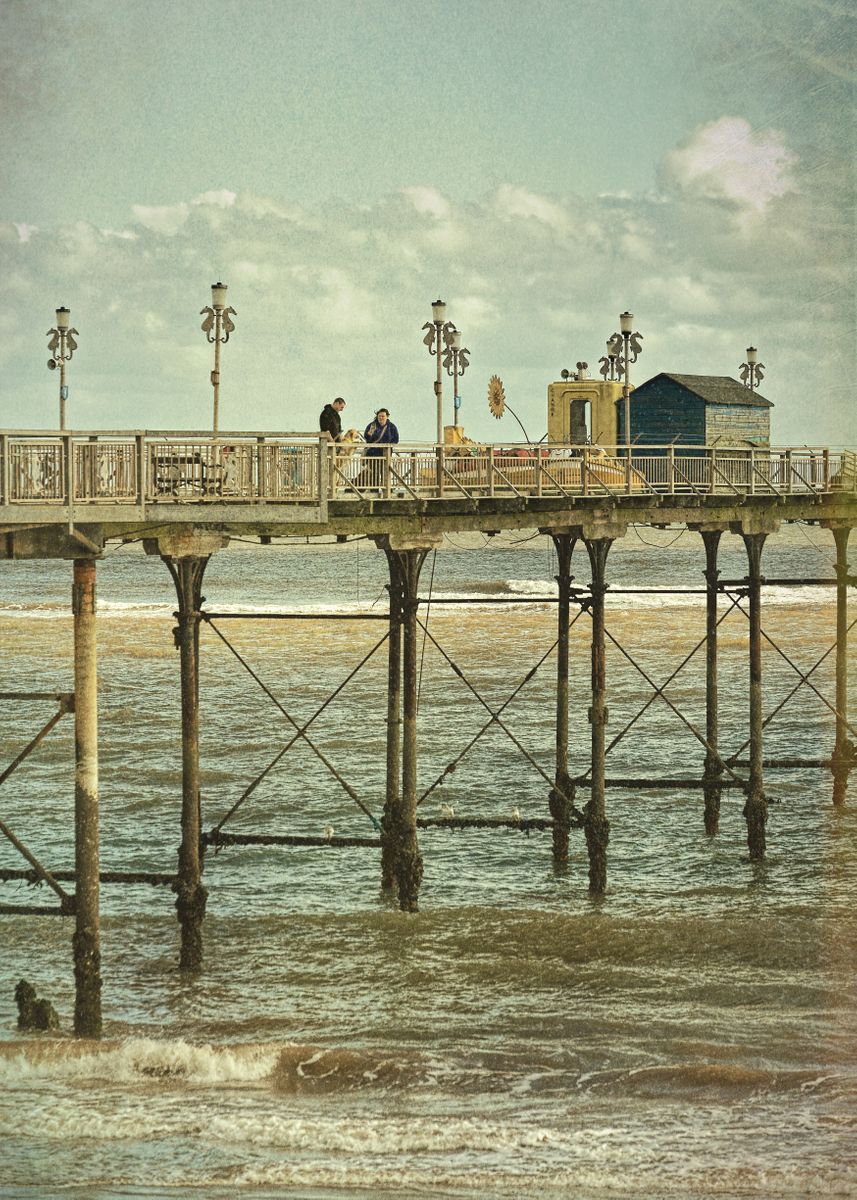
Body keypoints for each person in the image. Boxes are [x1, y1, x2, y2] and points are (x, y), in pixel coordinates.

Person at [361, 408, 399, 489]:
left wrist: (388, 446)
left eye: (383, 416)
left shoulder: (391, 427)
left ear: (387, 416)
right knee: (374, 472)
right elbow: (366, 438)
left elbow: (396, 439)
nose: (381, 418)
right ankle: (374, 490)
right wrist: (369, 433)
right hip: (373, 453)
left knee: (385, 471)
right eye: (379, 416)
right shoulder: (372, 425)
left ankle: (386, 489)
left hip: (386, 454)